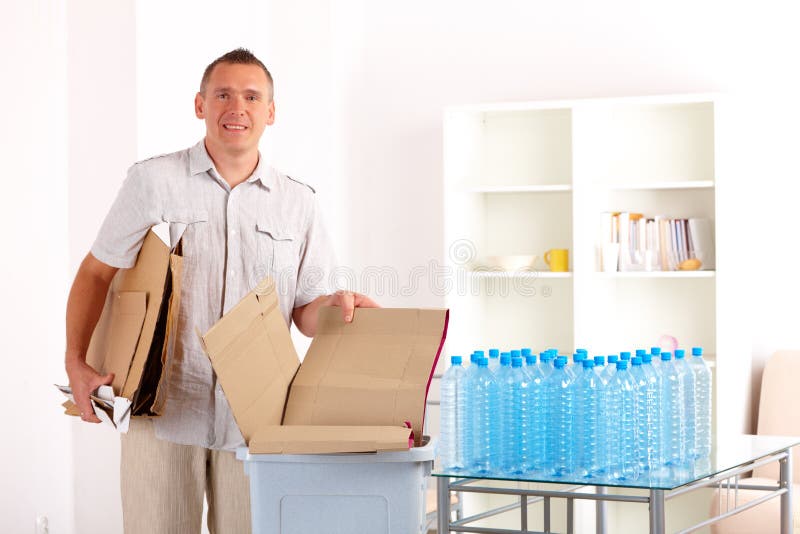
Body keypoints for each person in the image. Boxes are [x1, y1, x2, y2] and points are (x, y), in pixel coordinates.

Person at [64, 48, 378, 534]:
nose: (238, 108)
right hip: (162, 414)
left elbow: (305, 313)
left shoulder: (299, 203)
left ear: (270, 112)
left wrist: (336, 308)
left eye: (252, 97)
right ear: (200, 105)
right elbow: (95, 272)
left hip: (258, 421)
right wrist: (75, 360)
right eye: (224, 95)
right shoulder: (152, 182)